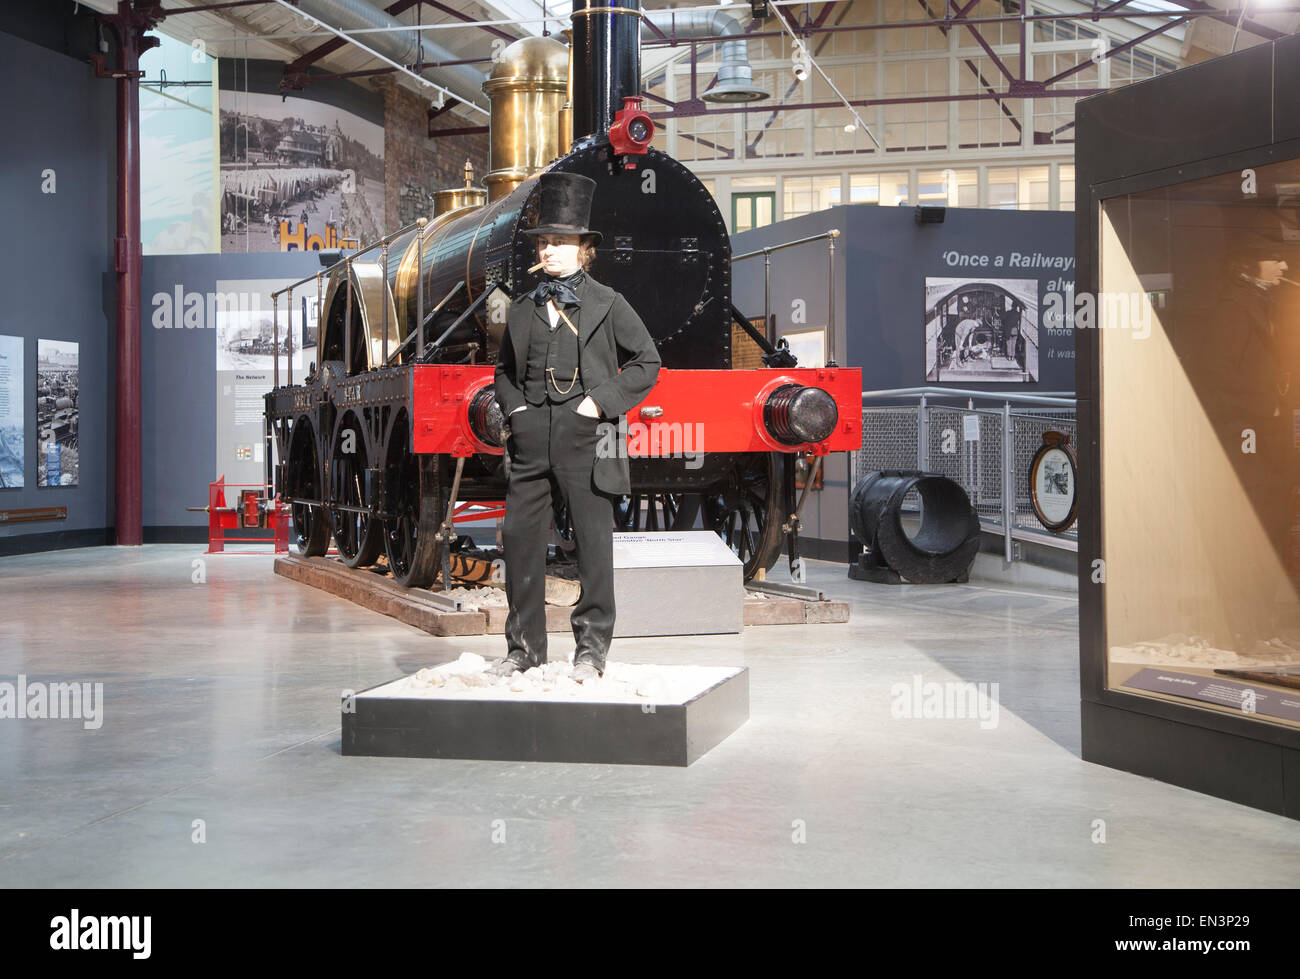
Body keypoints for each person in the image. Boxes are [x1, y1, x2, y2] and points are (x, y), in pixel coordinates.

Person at [488, 172, 661, 682]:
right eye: (545, 241)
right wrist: (517, 411)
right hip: (530, 435)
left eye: (561, 242)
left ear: (584, 250)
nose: (551, 250)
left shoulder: (608, 304)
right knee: (519, 538)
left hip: (588, 435)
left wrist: (598, 404)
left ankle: (591, 650)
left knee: (592, 544)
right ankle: (523, 649)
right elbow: (502, 372)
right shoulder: (521, 309)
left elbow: (646, 362)